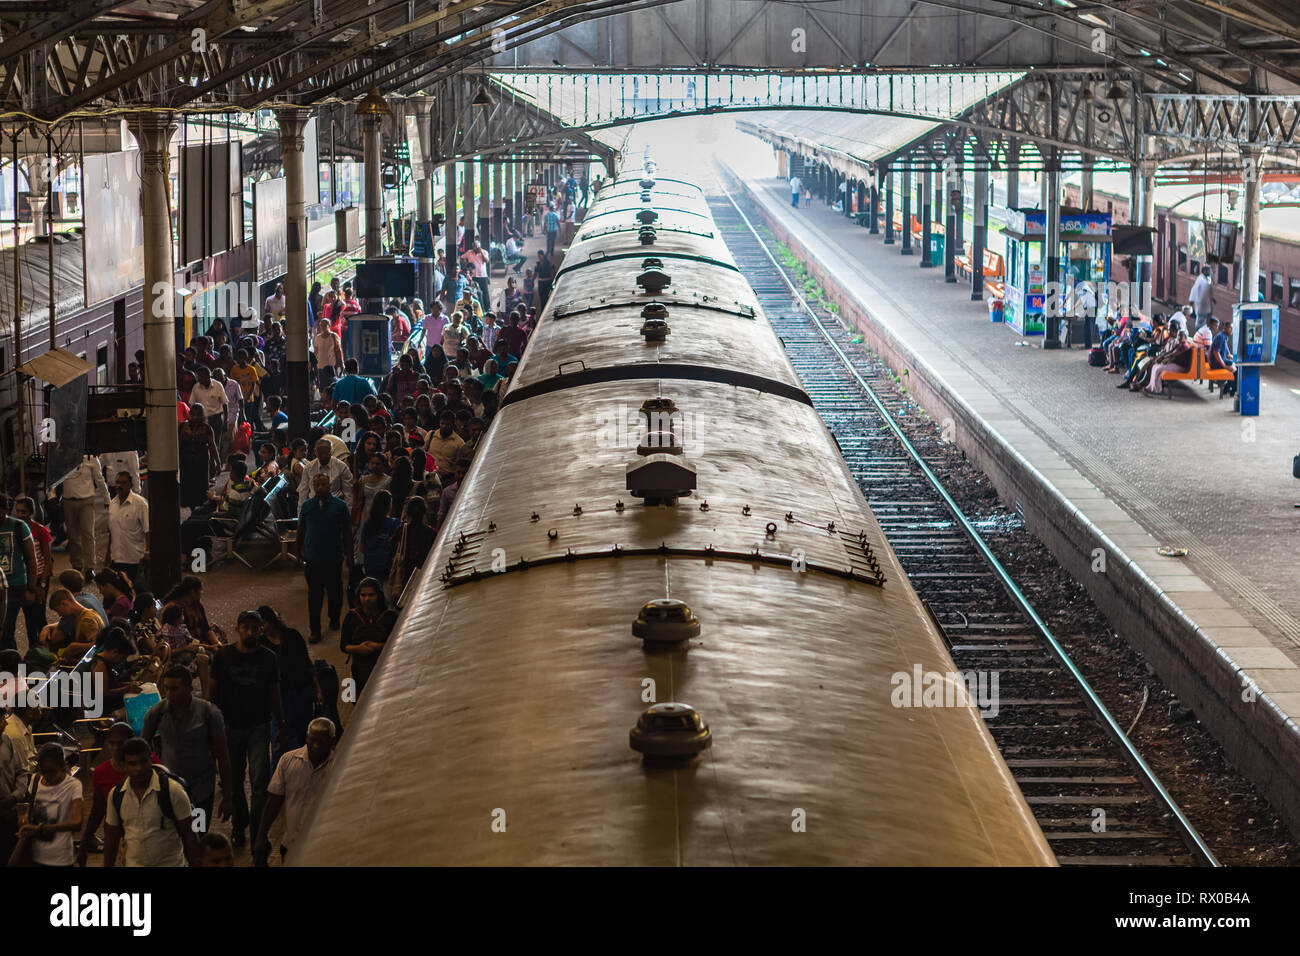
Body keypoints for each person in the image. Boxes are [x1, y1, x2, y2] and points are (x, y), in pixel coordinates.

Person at [210, 610, 281, 848]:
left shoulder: (269, 658)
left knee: (259, 782)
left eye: (254, 628)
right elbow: (213, 690)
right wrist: (213, 723)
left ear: (261, 630)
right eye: (246, 627)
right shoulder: (223, 656)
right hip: (230, 726)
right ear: (237, 628)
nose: (250, 632)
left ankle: (258, 831)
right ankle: (240, 826)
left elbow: (273, 692)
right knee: (235, 780)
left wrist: (279, 722)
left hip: (259, 725)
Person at [102, 737, 198, 867]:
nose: (139, 768)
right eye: (132, 763)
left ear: (151, 760)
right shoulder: (116, 795)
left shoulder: (173, 791)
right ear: (124, 766)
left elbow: (190, 836)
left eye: (143, 761)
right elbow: (111, 839)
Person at [253, 716, 336, 866]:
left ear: (332, 742)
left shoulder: (338, 767)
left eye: (321, 742)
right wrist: (261, 835)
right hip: (291, 843)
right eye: (312, 740)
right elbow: (274, 801)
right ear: (306, 738)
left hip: (321, 847)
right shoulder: (288, 760)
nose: (315, 746)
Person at [76, 721, 156, 866]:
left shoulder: (149, 764)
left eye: (120, 743)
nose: (115, 748)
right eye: (111, 743)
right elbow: (98, 810)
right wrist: (84, 846)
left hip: (150, 834)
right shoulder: (101, 772)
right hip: (118, 838)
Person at [256, 606, 317, 763]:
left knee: (303, 733)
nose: (260, 628)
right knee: (280, 741)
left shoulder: (292, 636)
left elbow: (306, 664)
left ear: (272, 621)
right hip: (280, 697)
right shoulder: (260, 644)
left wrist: (317, 689)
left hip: (301, 691)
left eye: (262, 623)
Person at [300, 473, 352, 642]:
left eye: (323, 484)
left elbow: (347, 533)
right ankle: (315, 629)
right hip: (313, 558)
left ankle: (334, 618)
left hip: (333, 558)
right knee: (314, 596)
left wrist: (349, 555)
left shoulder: (340, 507)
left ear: (330, 486)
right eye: (317, 485)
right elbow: (301, 530)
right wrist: (299, 551)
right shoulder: (307, 506)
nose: (320, 488)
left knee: (335, 593)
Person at [16, 742, 82, 867]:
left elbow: (77, 822)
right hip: (37, 856)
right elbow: (31, 809)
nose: (47, 777)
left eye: (51, 772)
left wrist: (40, 828)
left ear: (63, 766)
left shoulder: (73, 786)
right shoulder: (35, 780)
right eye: (43, 771)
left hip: (61, 857)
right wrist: (25, 819)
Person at [340, 577, 397, 696]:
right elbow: (343, 646)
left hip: (385, 668)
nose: (367, 599)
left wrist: (378, 646)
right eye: (363, 595)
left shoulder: (390, 617)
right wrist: (358, 648)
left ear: (379, 596)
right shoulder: (351, 617)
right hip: (359, 670)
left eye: (371, 595)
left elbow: (397, 643)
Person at [0, 495, 38, 651]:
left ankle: (12, 667)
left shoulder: (18, 526)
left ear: (4, 510)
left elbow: (31, 560)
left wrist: (31, 588)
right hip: (1, 586)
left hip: (15, 586)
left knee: (6, 630)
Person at [58, 456, 108, 575]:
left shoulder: (91, 459)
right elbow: (55, 478)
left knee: (88, 533)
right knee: (72, 535)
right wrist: (51, 495)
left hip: (87, 500)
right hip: (68, 501)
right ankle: (77, 564)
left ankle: (90, 567)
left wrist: (107, 499)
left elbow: (99, 479)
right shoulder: (63, 458)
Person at [0, 708, 31, 866]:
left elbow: (21, 771)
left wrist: (15, 795)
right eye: (1, 721)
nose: (5, 724)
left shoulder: (7, 741)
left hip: (10, 810)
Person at [107, 471, 149, 585]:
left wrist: (148, 552)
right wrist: (108, 555)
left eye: (123, 483)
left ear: (131, 485)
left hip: (134, 559)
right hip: (116, 558)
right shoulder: (112, 504)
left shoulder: (140, 504)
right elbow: (112, 532)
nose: (119, 485)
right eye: (117, 482)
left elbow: (148, 530)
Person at [298, 438, 353, 503]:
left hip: (335, 506)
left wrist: (347, 511)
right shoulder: (308, 468)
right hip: (314, 506)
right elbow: (303, 494)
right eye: (321, 454)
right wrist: (300, 512)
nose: (324, 456)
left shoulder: (341, 467)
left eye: (326, 453)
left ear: (331, 452)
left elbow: (348, 493)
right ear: (315, 452)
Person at [1144, 328, 1194, 396]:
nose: (1179, 337)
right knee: (1155, 367)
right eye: (1178, 336)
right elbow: (1171, 351)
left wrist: (1162, 358)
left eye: (1181, 336)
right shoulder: (1179, 344)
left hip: (1180, 366)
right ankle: (1151, 387)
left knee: (1158, 369)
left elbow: (1174, 354)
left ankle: (1157, 390)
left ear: (1185, 338)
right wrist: (1161, 356)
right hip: (1174, 364)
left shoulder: (1185, 346)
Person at [313, 317, 344, 397]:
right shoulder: (318, 337)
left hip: (331, 366)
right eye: (321, 325)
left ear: (329, 326)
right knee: (322, 386)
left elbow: (338, 350)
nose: (323, 327)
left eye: (324, 325)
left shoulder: (334, 336)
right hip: (320, 366)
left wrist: (341, 362)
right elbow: (316, 351)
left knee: (332, 386)